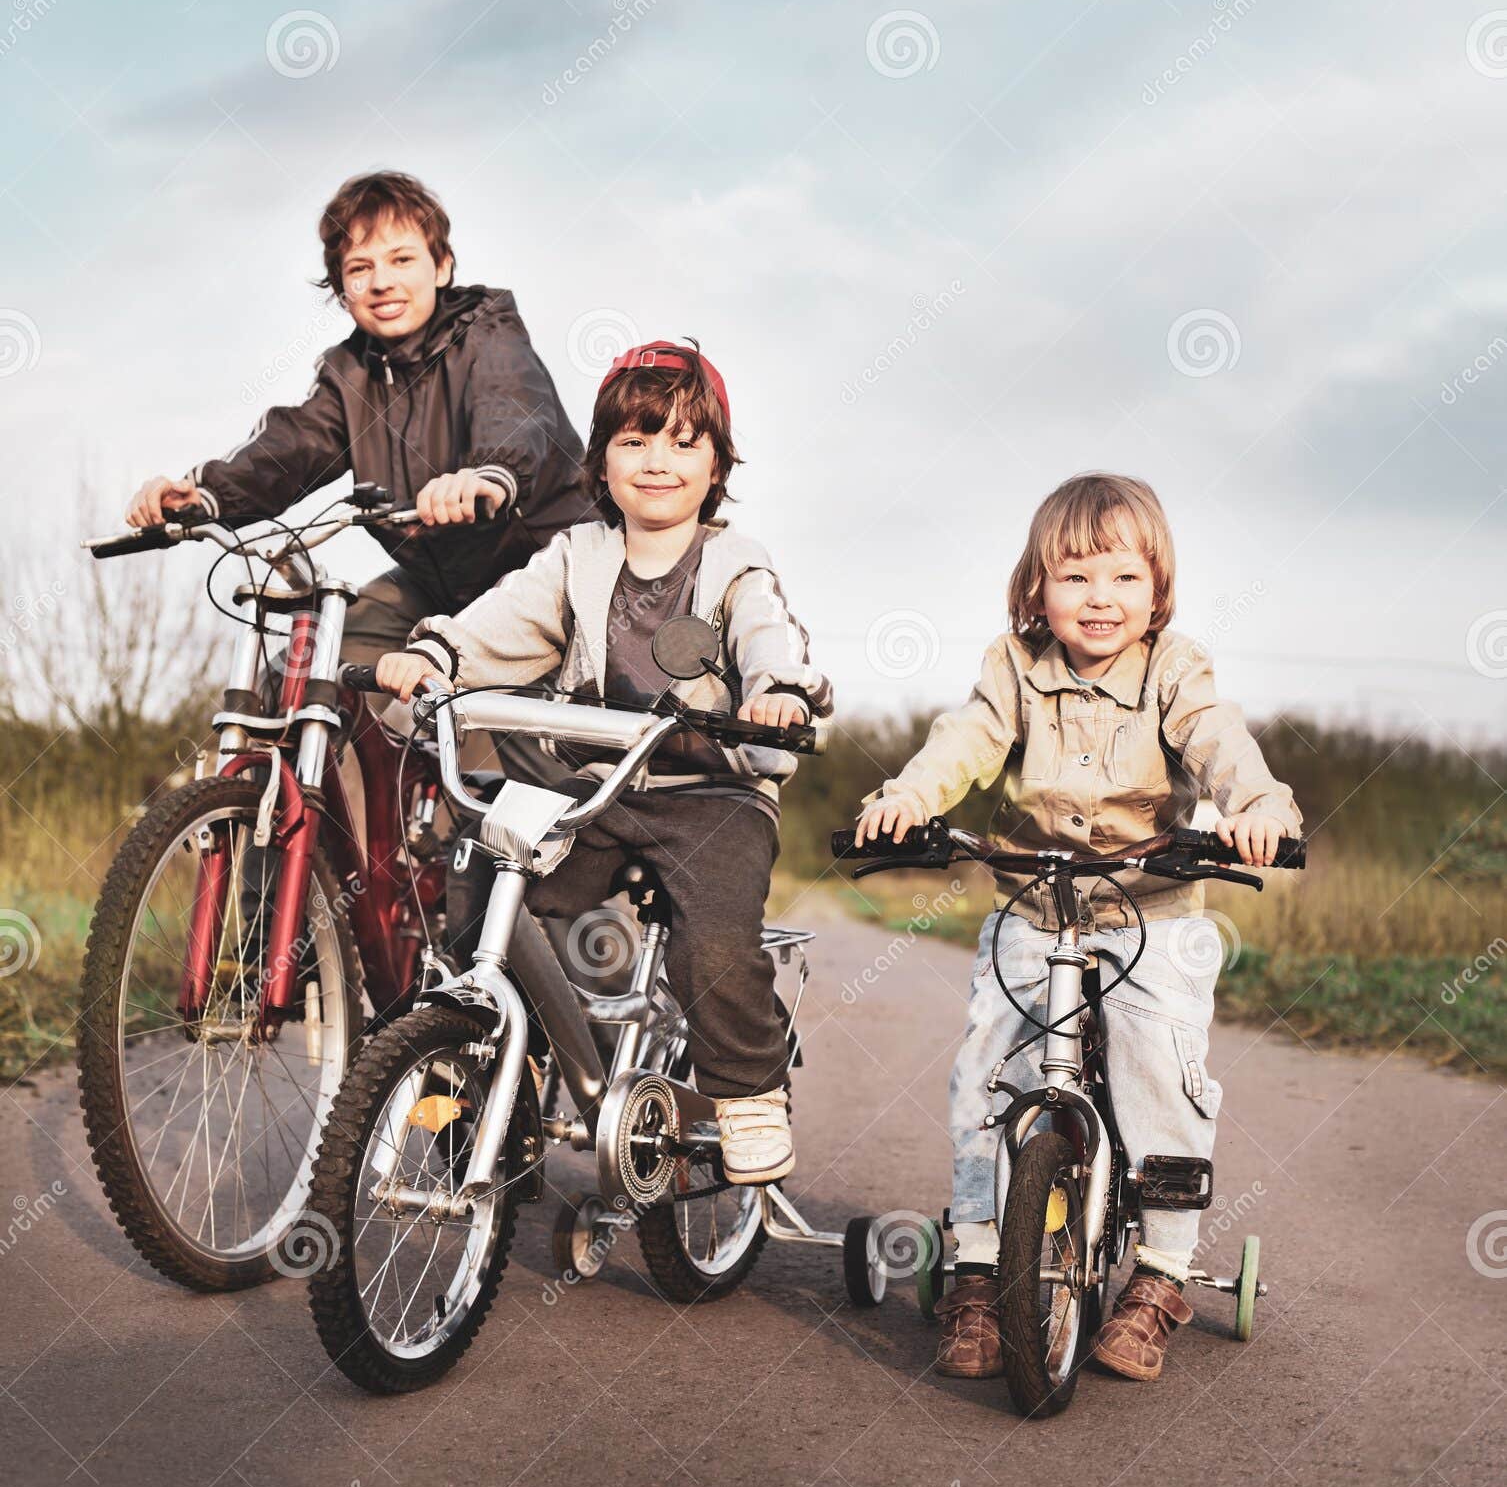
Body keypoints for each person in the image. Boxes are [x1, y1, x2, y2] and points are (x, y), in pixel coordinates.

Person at [854, 473, 1302, 1382]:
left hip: (1154, 904)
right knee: (990, 1064)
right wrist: (906, 798)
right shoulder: (1011, 667)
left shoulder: (1175, 668)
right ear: (1036, 589)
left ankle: (1162, 1273)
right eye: (1075, 578)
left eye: (1124, 580)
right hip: (1035, 900)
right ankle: (978, 1265)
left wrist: (1255, 803)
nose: (1100, 599)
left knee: (1156, 1068)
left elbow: (1219, 740)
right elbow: (966, 741)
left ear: (1157, 591)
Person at [377, 342, 833, 1185]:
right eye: (634, 440)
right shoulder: (575, 556)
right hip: (600, 786)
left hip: (712, 791)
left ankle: (748, 1090)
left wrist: (778, 695)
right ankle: (501, 1072)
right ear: (601, 459)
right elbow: (498, 621)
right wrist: (436, 656)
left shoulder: (736, 562)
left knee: (716, 946)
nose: (657, 461)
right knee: (498, 889)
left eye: (682, 441)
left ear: (717, 463)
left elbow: (771, 638)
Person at [124, 169, 586, 669]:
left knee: (476, 713)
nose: (382, 282)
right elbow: (294, 445)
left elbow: (510, 403)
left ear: (442, 267)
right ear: (342, 287)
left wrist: (488, 473)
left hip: (544, 567)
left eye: (402, 259)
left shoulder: (486, 330)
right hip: (441, 583)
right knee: (309, 664)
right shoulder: (347, 375)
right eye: (360, 268)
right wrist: (202, 495)